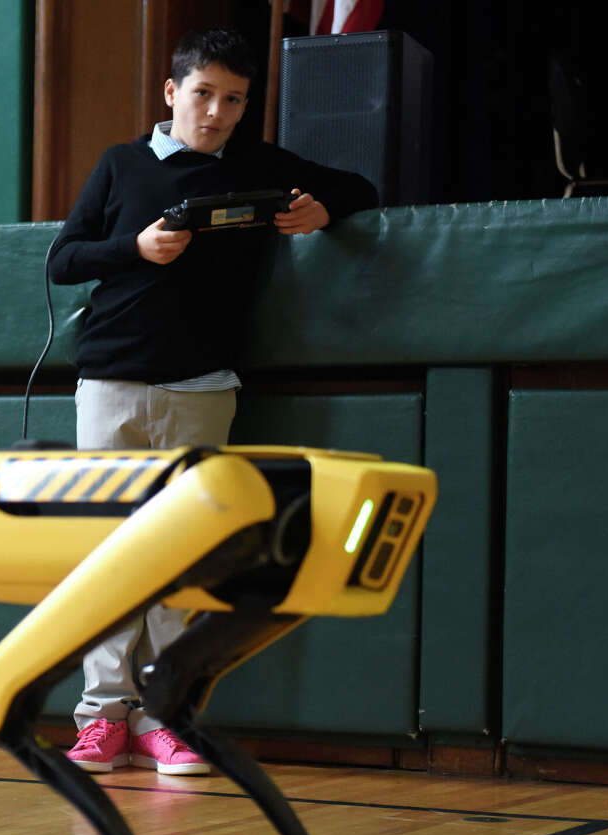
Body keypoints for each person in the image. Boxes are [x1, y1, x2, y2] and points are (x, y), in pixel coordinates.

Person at [47, 27, 378, 776]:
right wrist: (135, 248)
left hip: (205, 388)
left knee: (184, 554)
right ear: (172, 93)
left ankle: (166, 716)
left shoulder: (262, 166)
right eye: (204, 94)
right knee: (108, 549)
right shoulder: (121, 165)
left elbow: (362, 187)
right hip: (112, 381)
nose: (217, 111)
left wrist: (322, 212)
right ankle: (101, 718)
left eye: (234, 99)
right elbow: (64, 258)